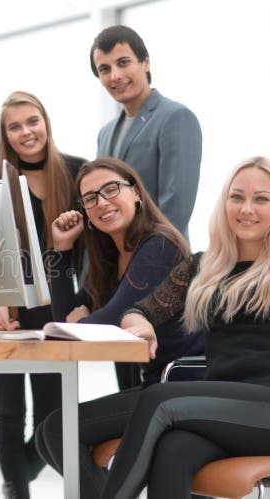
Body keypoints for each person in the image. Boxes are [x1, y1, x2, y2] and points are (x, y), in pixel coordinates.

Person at [96, 156, 270, 498]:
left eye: (261, 199)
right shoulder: (204, 267)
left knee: (159, 398)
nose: (246, 209)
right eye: (237, 197)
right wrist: (140, 323)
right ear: (224, 203)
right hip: (221, 408)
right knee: (173, 449)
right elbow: (137, 310)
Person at [31, 157, 203, 498]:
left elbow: (113, 319)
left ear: (136, 192)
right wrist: (62, 250)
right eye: (90, 198)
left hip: (184, 385)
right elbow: (66, 320)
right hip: (158, 386)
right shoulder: (110, 257)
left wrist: (84, 322)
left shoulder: (160, 245)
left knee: (57, 431)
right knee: (49, 434)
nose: (102, 202)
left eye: (111, 189)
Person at [0, 90, 84, 499]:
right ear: (5, 134)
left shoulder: (76, 172)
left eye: (32, 121)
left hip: (57, 312)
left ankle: (15, 481)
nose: (26, 132)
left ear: (45, 122)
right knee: (9, 414)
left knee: (51, 418)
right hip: (6, 312)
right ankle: (18, 491)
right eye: (15, 126)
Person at [90, 24, 202, 390]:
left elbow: (175, 208)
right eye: (105, 69)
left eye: (123, 62)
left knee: (155, 388)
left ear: (145, 62)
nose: (115, 75)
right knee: (125, 390)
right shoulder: (107, 132)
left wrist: (142, 266)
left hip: (161, 274)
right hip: (119, 275)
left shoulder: (175, 118)